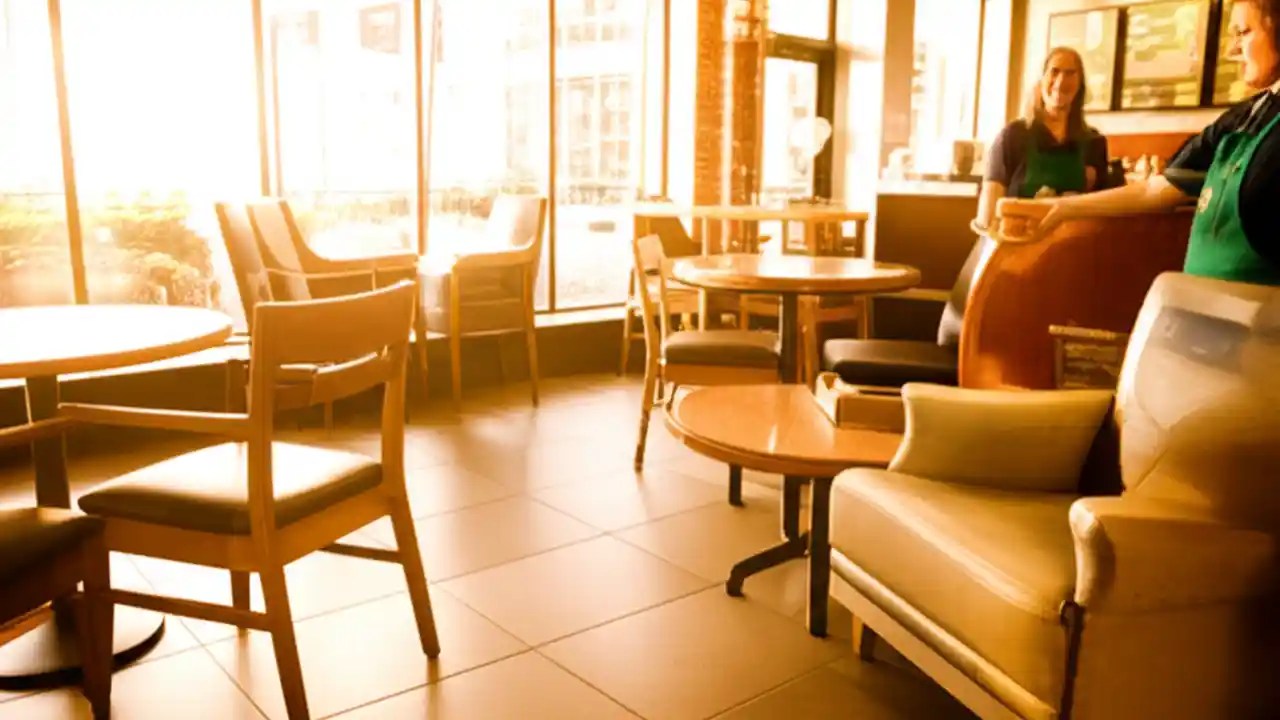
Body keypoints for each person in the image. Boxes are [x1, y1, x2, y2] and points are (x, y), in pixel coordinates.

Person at [1029, 0, 1280, 285]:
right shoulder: (1242, 117)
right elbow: (1155, 190)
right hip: (1205, 314)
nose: (1231, 49)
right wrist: (1063, 209)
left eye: (1244, 32)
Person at [974, 47, 1111, 230]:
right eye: (1054, 71)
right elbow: (987, 218)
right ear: (1041, 80)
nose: (1061, 81)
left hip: (1072, 249)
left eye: (1070, 73)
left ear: (1080, 85)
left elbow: (1101, 218)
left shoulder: (1094, 143)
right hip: (1017, 247)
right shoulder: (1012, 137)